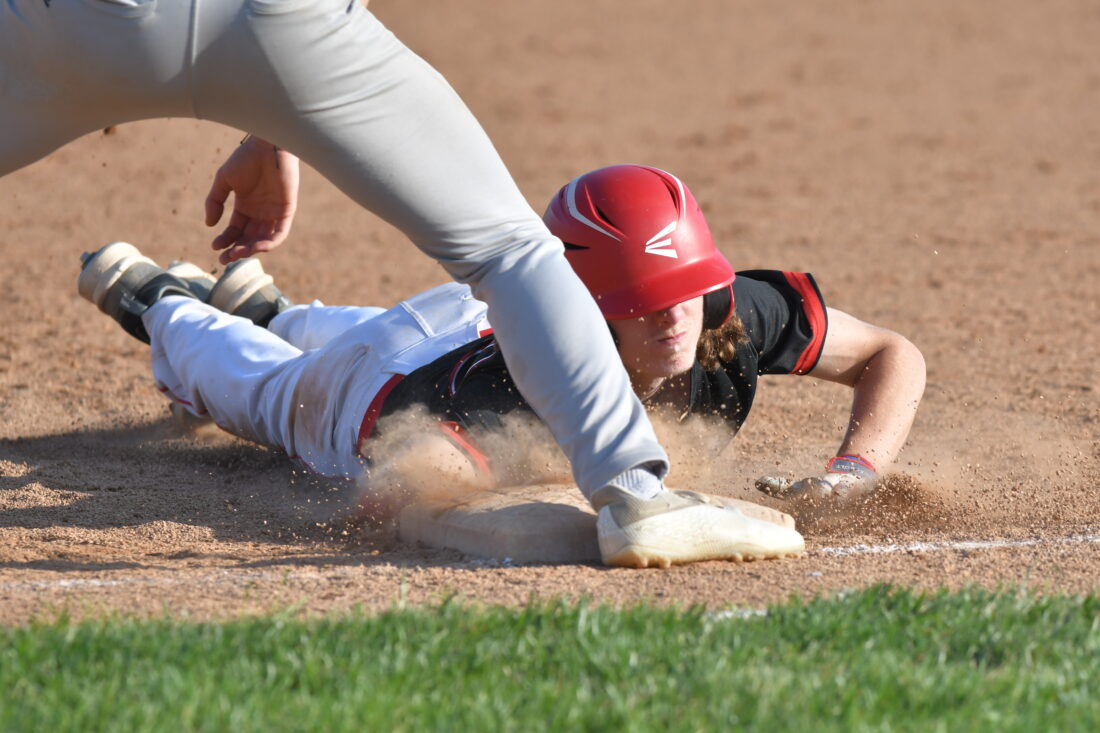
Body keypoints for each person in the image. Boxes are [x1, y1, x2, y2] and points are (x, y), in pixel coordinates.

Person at [1, 0, 710, 563]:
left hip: (65, 23)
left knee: (357, 352)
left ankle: (237, 310)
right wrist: (270, 119)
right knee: (511, 251)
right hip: (276, 25)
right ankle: (636, 493)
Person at [76, 164, 926, 567]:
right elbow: (398, 490)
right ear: (584, 310)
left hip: (464, 316)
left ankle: (269, 309)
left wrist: (854, 472)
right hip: (372, 384)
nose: (674, 315)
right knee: (262, 390)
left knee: (340, 330)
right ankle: (157, 299)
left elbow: (894, 354)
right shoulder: (507, 390)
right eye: (643, 300)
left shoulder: (724, 313)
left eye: (685, 291)